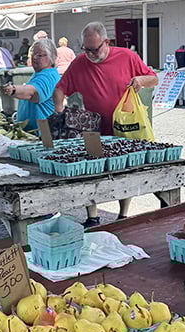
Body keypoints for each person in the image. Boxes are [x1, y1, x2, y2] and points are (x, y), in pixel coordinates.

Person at [53, 21, 158, 224]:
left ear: (106, 42)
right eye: (87, 49)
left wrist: (140, 80)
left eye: (95, 49)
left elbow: (153, 78)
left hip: (124, 125)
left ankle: (123, 214)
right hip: (92, 127)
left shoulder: (127, 56)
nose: (91, 54)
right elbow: (60, 88)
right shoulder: (80, 62)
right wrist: (58, 111)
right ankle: (92, 216)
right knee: (90, 172)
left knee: (125, 171)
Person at [1, 38, 60, 130]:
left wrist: (13, 90)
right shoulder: (39, 73)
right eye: (33, 54)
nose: (34, 57)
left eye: (39, 55)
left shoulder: (48, 77)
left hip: (41, 136)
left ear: (51, 57)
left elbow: (32, 93)